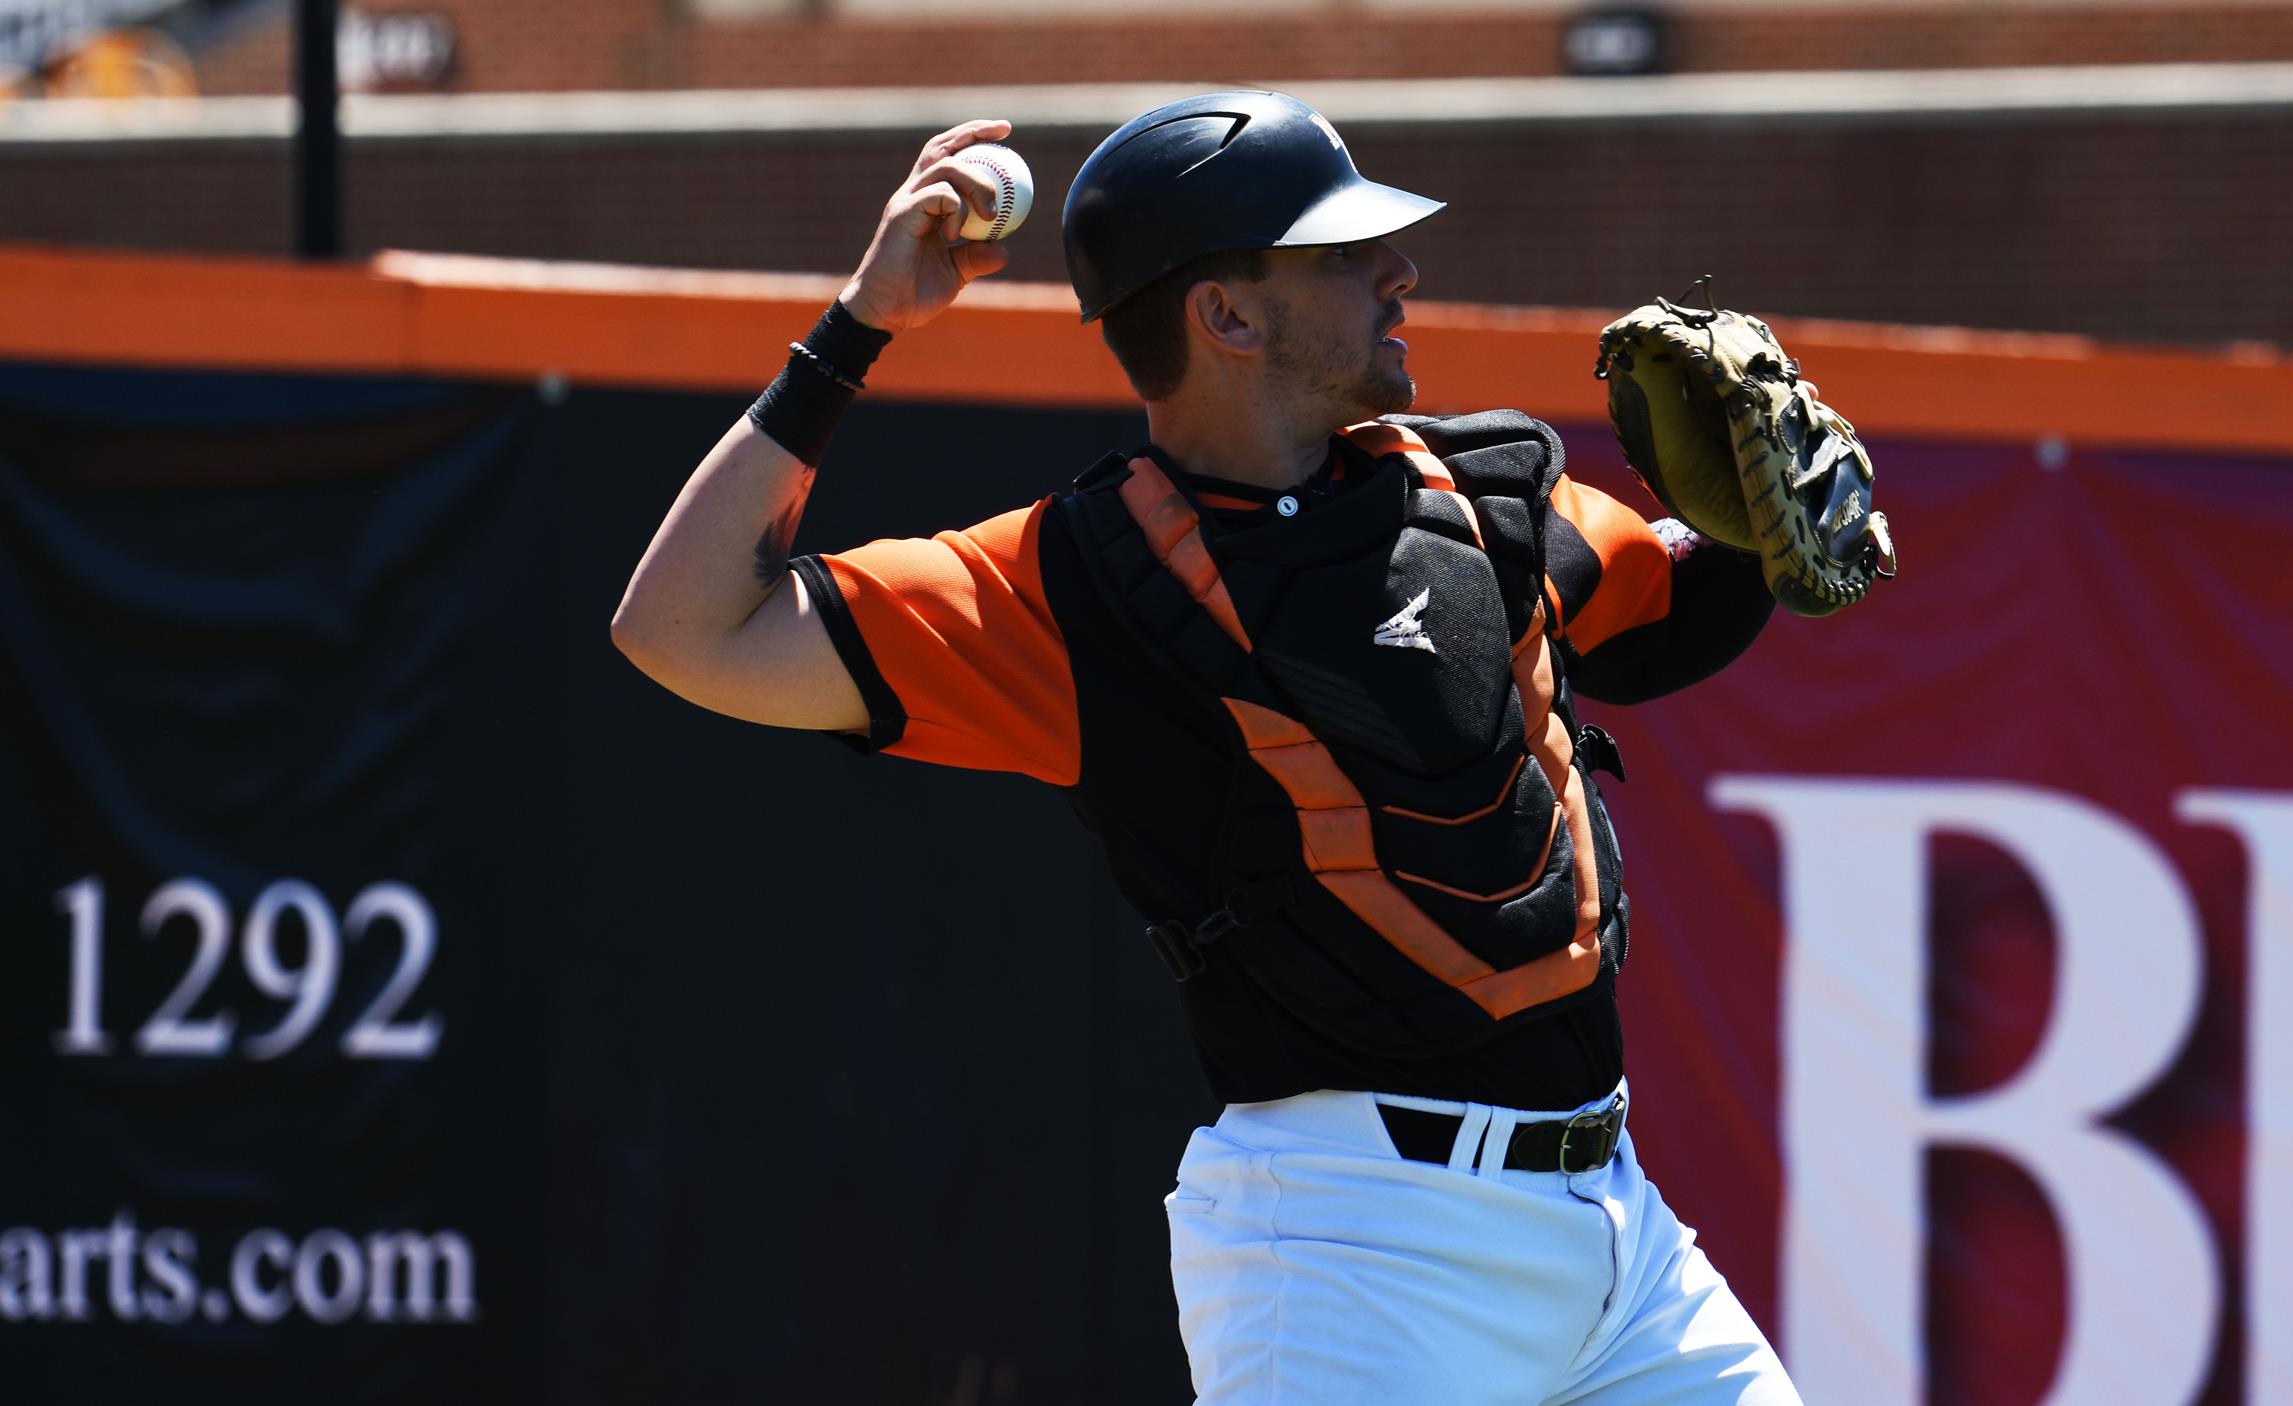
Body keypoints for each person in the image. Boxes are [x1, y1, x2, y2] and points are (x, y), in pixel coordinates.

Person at [612, 92, 1804, 1405]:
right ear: (1225, 316)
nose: (1397, 271)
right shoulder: (1078, 585)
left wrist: (1758, 526)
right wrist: (859, 329)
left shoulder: (1490, 494)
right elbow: (686, 625)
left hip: (1618, 1234)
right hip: (1356, 1248)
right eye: (1344, 253)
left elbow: (1668, 615)